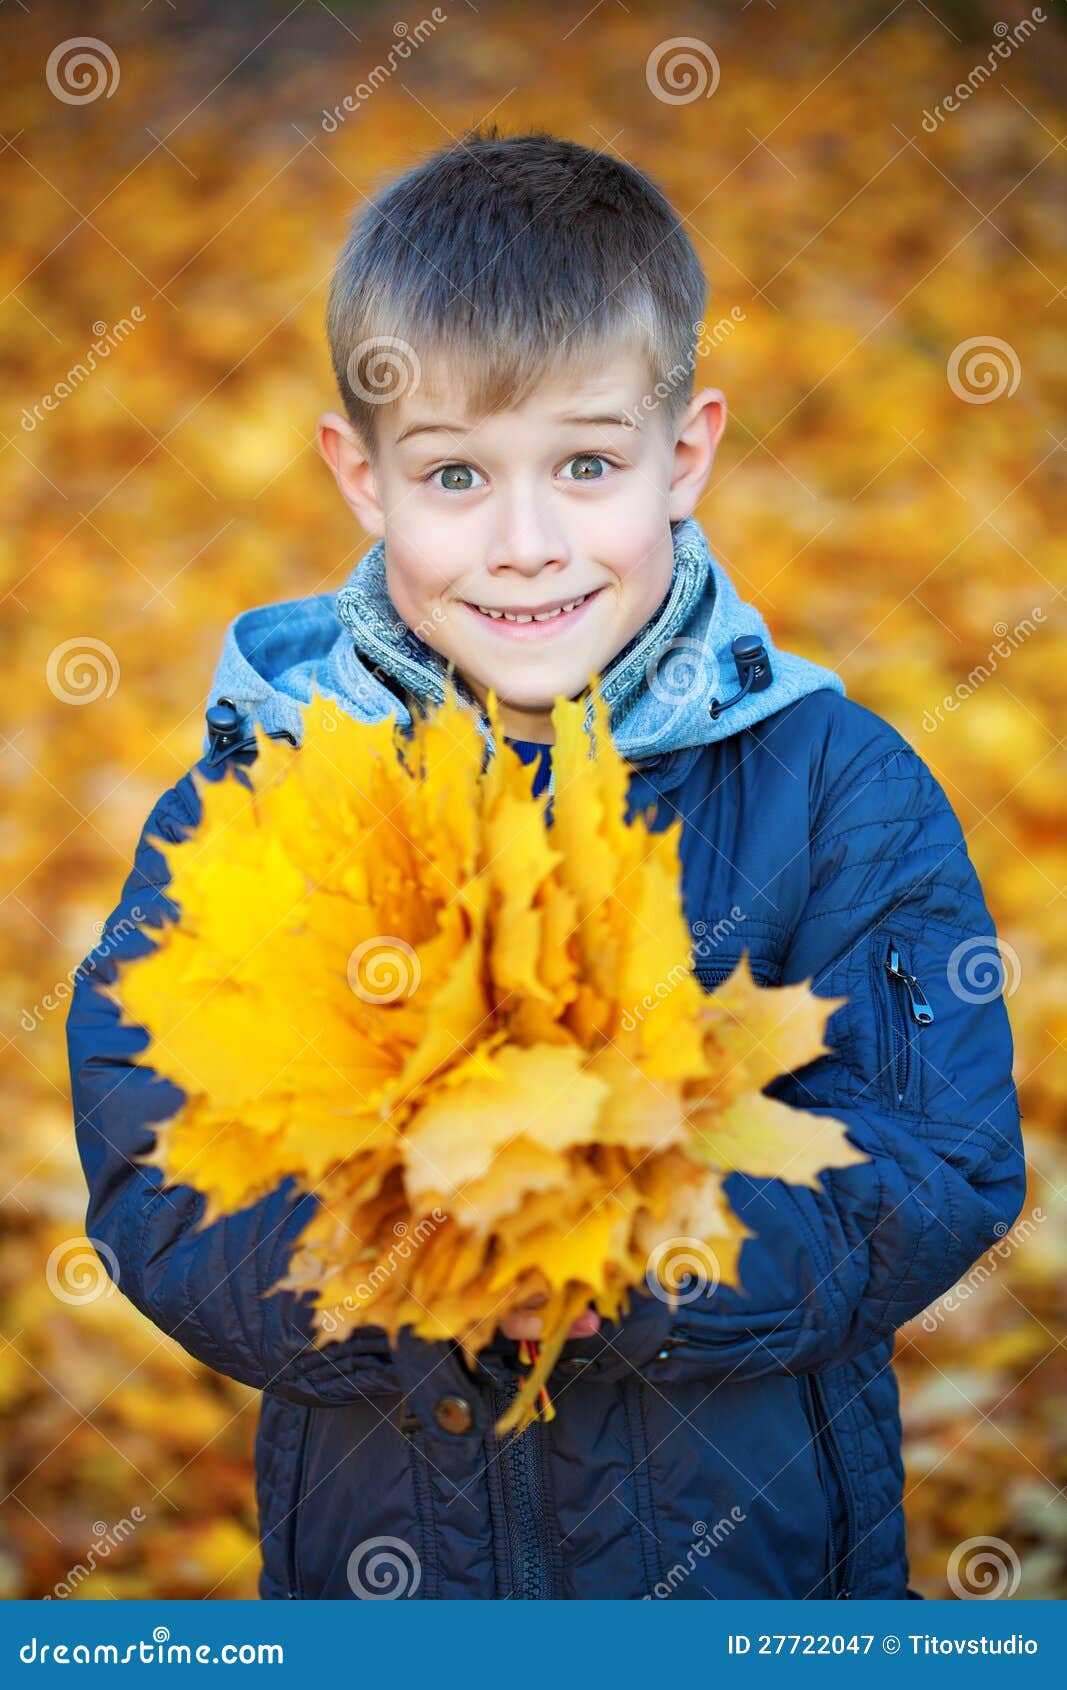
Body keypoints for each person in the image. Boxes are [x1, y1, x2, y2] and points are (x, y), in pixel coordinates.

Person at [67, 127, 1024, 1601]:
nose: (526, 543)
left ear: (686, 451)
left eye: (586, 464)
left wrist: (628, 1260)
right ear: (363, 473)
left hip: (747, 1591)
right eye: (455, 476)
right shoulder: (259, 801)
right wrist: (406, 1274)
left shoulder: (833, 787)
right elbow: (156, 1172)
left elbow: (938, 1159)